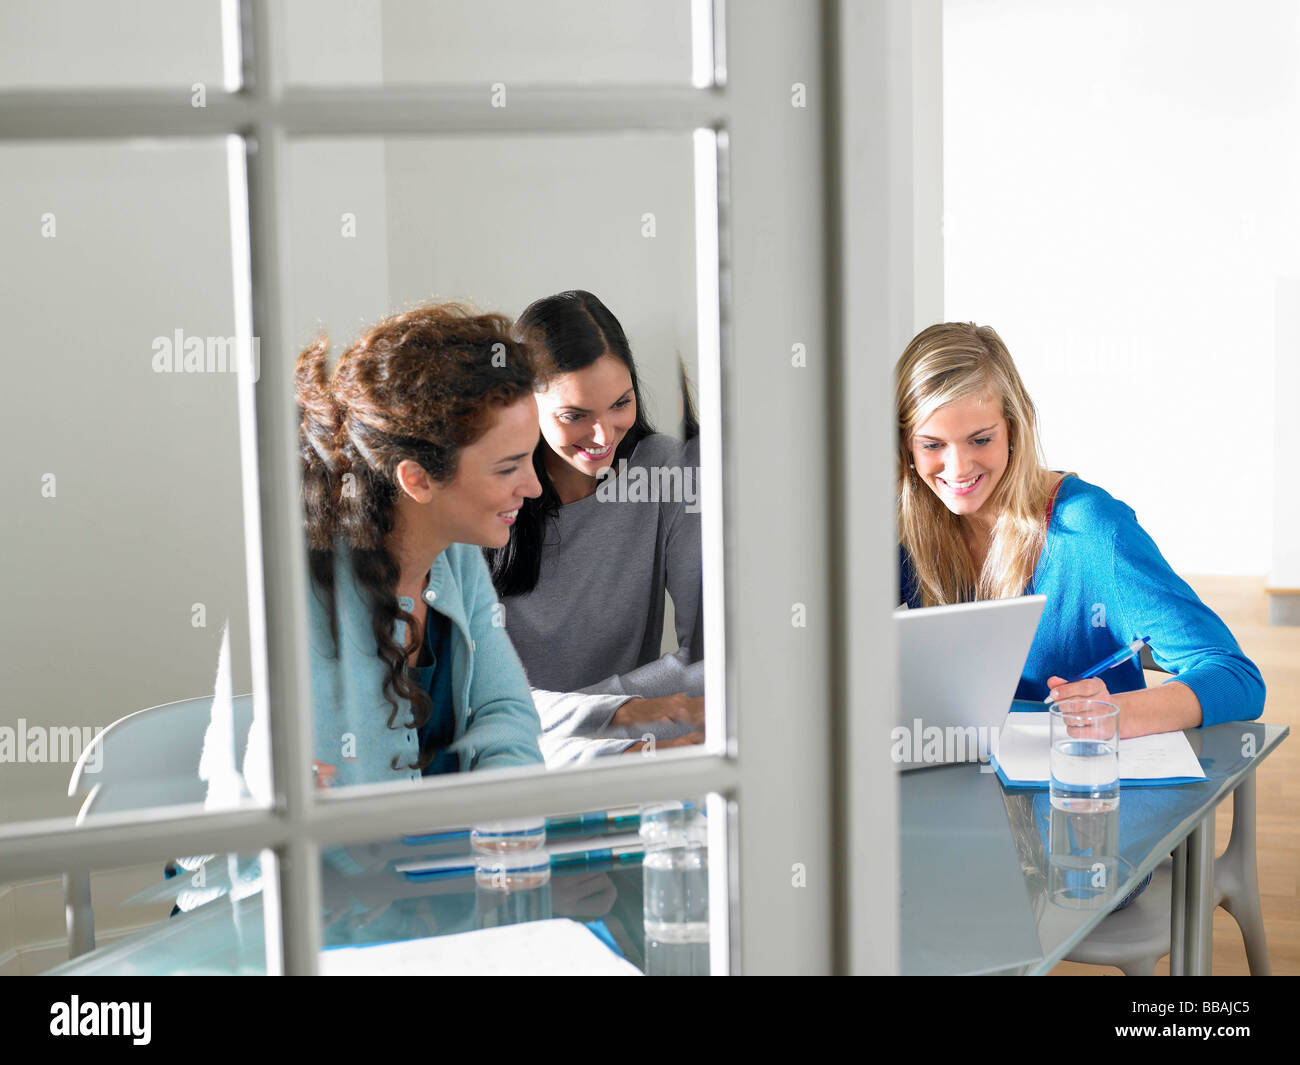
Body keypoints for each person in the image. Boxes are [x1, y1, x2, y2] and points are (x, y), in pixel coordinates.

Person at [896, 322, 1265, 739]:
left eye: (980, 440)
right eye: (932, 445)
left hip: (1079, 792)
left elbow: (1235, 677)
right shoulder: (899, 529)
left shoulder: (1091, 531)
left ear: (1014, 429)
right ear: (905, 444)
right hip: (949, 786)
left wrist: (1117, 712)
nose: (959, 468)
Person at [297, 303, 546, 785]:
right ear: (417, 479)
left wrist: (498, 821)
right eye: (508, 468)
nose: (533, 487)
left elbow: (505, 711)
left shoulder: (456, 556)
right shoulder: (305, 591)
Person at [484, 290, 705, 763]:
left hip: (632, 745)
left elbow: (709, 657)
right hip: (515, 755)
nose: (604, 436)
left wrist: (607, 713)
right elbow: (475, 703)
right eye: (574, 416)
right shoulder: (484, 489)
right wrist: (612, 709)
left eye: (620, 403)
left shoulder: (668, 471)